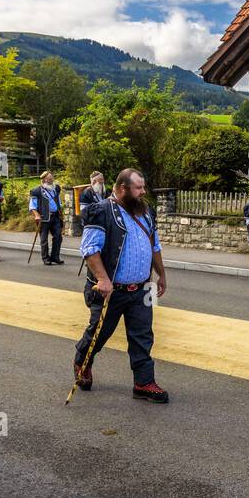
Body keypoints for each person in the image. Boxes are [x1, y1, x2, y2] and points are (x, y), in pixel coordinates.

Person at [72, 168, 170, 403]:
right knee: (99, 333)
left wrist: (161, 275)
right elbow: (90, 249)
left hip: (142, 289)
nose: (143, 192)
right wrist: (103, 279)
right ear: (122, 188)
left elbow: (154, 245)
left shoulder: (146, 211)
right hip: (110, 290)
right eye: (138, 188)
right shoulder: (101, 211)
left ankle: (144, 383)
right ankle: (82, 362)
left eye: (143, 187)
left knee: (143, 336)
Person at [30, 170, 66, 265]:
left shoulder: (56, 189)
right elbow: (32, 206)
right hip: (44, 218)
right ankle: (45, 258)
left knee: (58, 237)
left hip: (55, 216)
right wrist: (36, 215)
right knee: (44, 239)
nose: (51, 180)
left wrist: (60, 211)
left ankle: (55, 257)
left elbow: (58, 201)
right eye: (49, 179)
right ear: (44, 180)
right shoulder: (37, 191)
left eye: (52, 178)